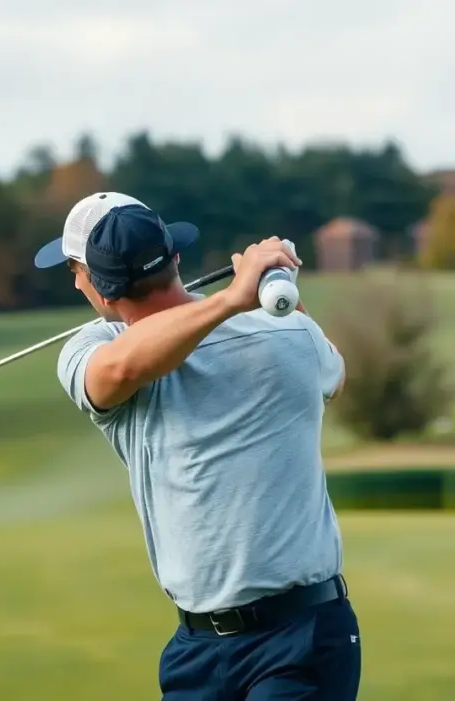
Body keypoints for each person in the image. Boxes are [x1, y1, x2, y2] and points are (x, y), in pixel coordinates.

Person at [33, 192, 361, 700]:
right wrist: (242, 299)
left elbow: (325, 368)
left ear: (96, 285)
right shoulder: (101, 354)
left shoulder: (285, 330)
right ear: (177, 258)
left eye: (75, 269)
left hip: (301, 640)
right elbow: (123, 368)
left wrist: (267, 298)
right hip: (198, 650)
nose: (75, 280)